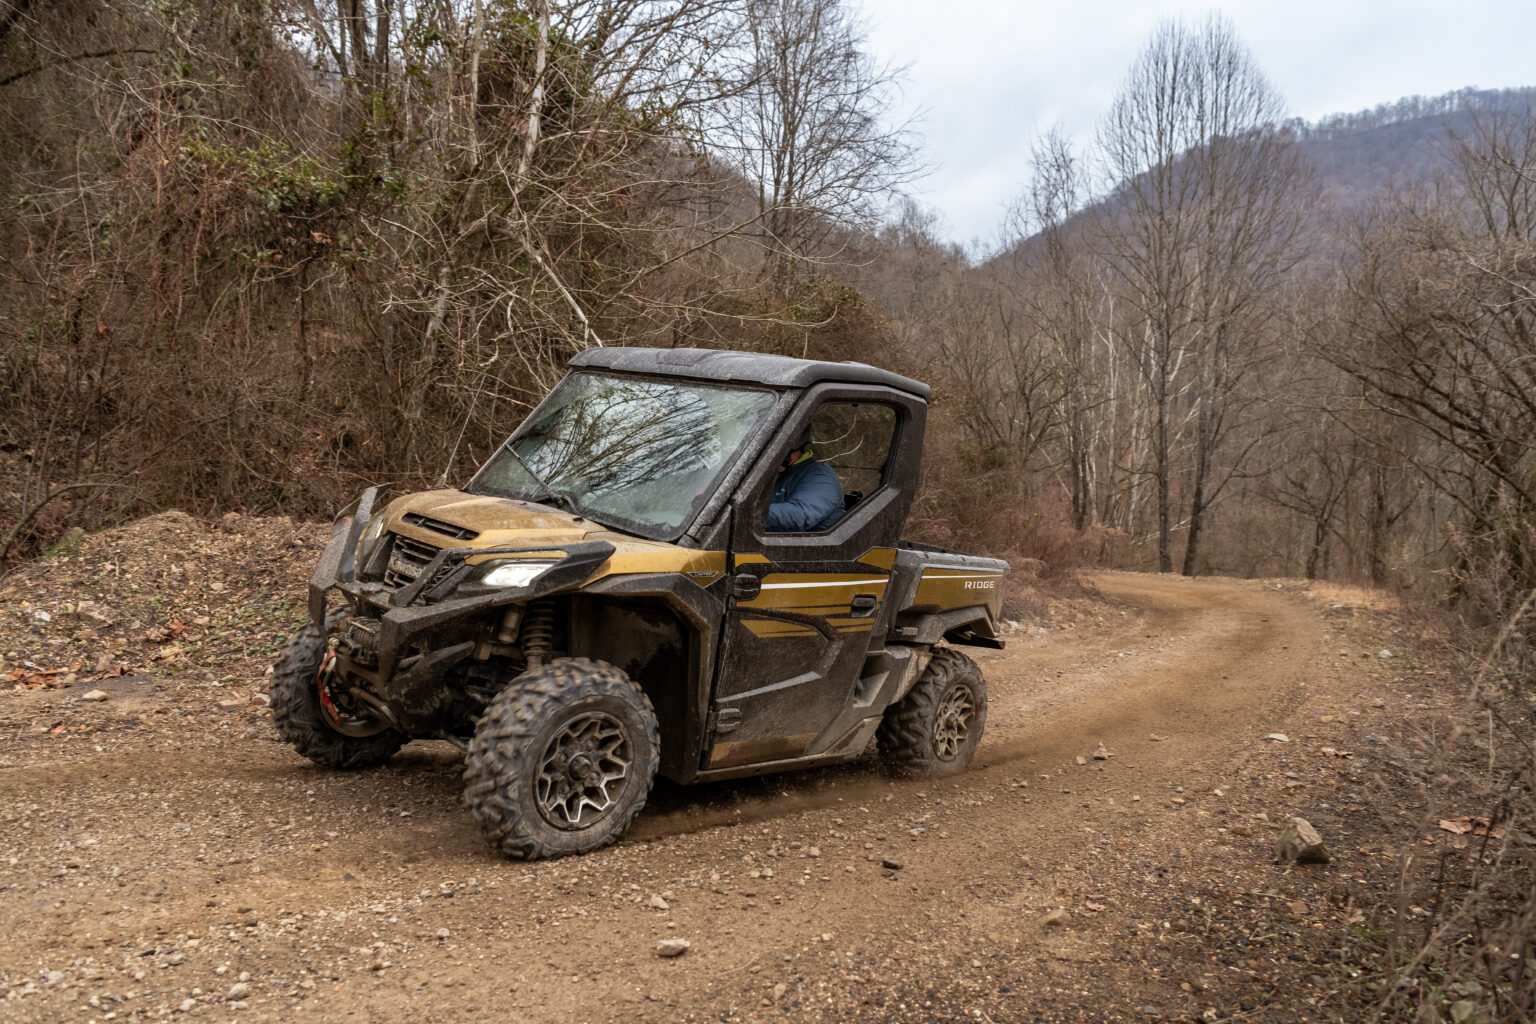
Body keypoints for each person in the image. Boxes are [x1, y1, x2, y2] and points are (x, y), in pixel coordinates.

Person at [766, 429, 844, 532]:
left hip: (812, 542)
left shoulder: (819, 475)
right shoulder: (778, 474)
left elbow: (799, 517)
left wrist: (749, 513)